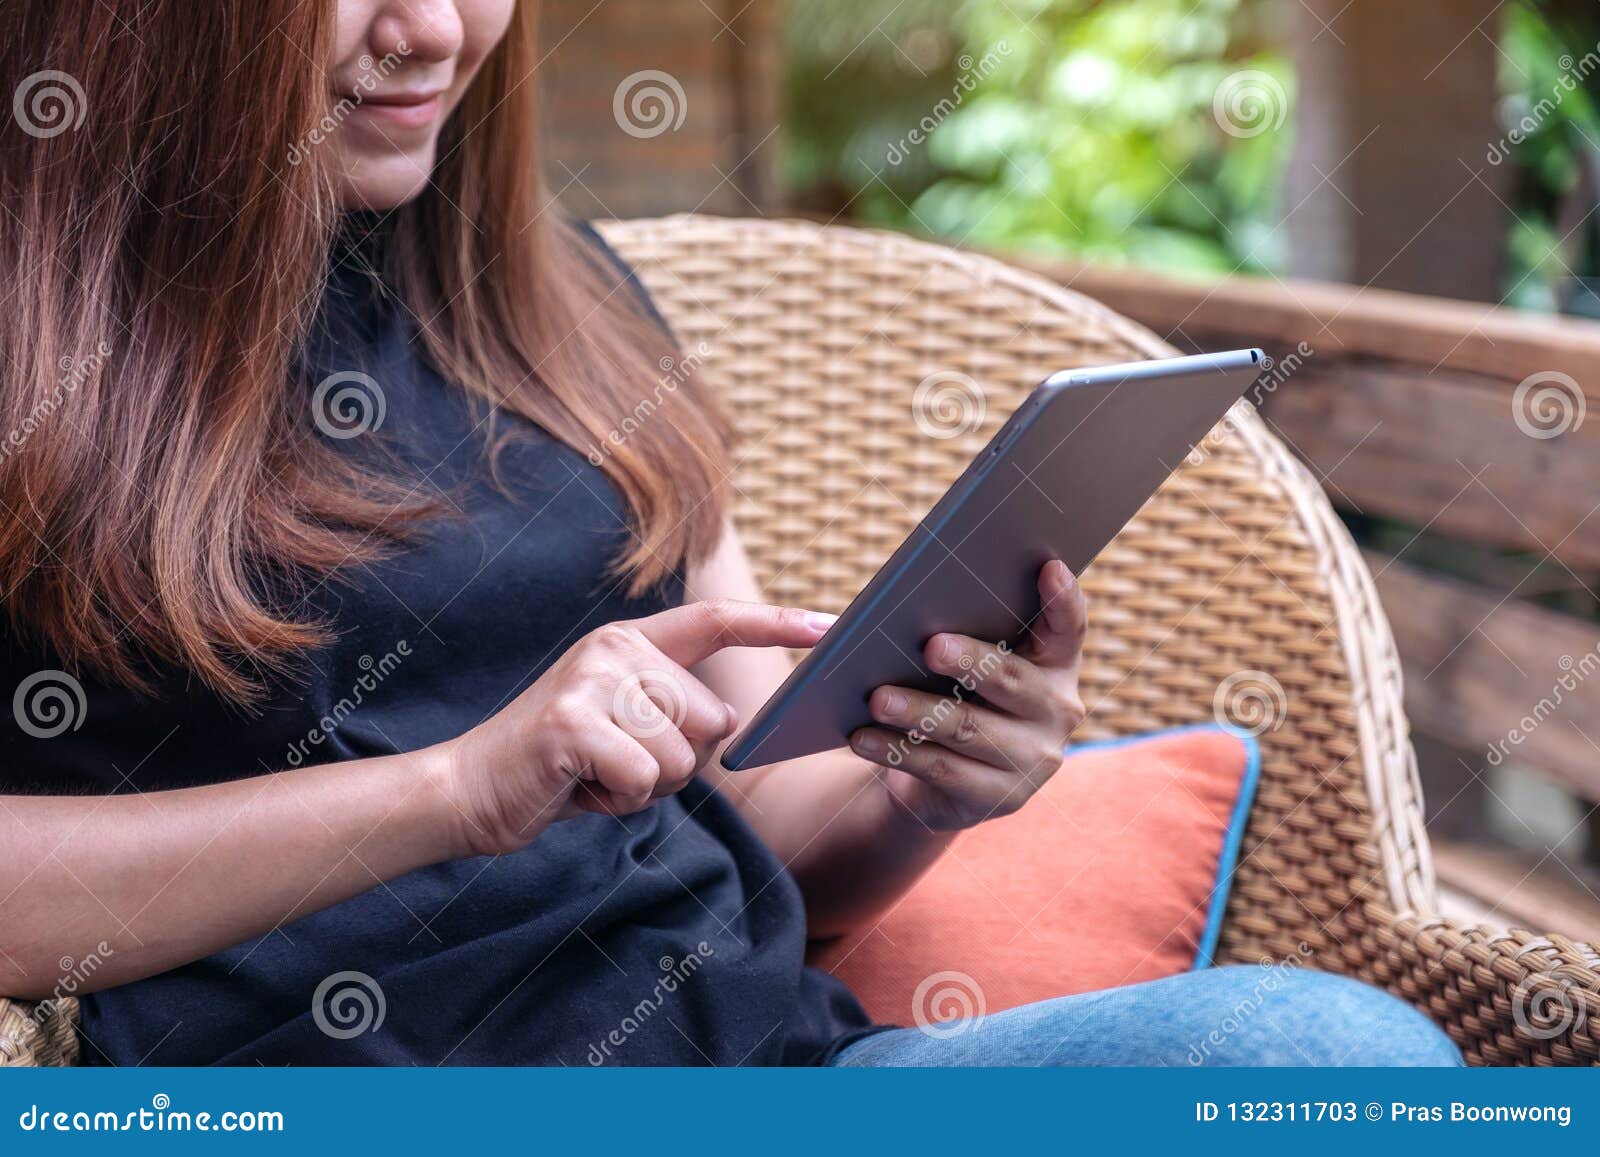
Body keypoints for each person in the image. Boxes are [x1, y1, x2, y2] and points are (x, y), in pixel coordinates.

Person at [0, 0, 1459, 1067]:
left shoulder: (558, 314)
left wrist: (925, 785)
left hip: (768, 1070)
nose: (437, 30)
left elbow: (767, 816)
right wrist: (459, 787)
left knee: (1332, 1057)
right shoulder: (41, 365)